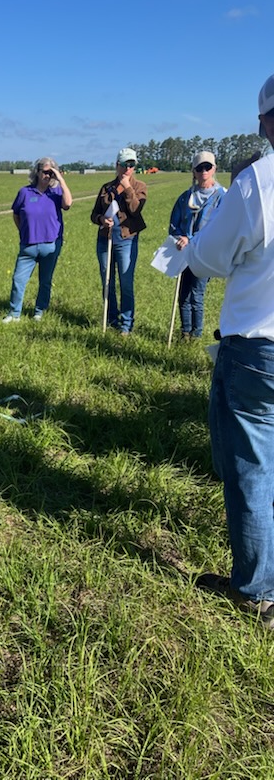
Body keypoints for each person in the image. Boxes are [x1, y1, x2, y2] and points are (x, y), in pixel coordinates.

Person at [183, 73, 274, 628]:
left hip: (259, 346)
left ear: (266, 122)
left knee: (252, 469)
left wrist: (198, 249)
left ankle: (258, 589)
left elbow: (210, 259)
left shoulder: (257, 184)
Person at [2, 158, 72, 323]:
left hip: (51, 244)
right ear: (37, 173)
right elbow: (16, 214)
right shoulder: (25, 192)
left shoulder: (56, 193)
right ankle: (14, 313)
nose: (47, 175)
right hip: (29, 245)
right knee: (18, 279)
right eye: (44, 171)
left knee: (45, 281)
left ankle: (39, 311)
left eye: (51, 172)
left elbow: (68, 203)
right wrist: (24, 232)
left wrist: (60, 179)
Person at [170, 151, 226, 340]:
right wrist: (178, 238)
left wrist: (192, 239)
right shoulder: (186, 197)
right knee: (183, 294)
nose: (204, 171)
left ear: (214, 169)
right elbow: (174, 224)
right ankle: (185, 332)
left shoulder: (222, 197)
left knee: (197, 293)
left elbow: (220, 228)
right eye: (199, 168)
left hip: (205, 254)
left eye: (207, 167)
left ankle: (197, 334)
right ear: (193, 171)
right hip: (183, 253)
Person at [90, 148, 147, 335]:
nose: (128, 169)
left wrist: (127, 187)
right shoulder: (106, 188)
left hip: (126, 240)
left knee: (126, 282)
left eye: (132, 165)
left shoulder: (140, 187)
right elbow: (94, 214)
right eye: (125, 165)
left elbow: (135, 210)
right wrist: (101, 220)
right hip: (105, 240)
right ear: (117, 165)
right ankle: (111, 318)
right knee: (107, 281)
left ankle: (126, 324)